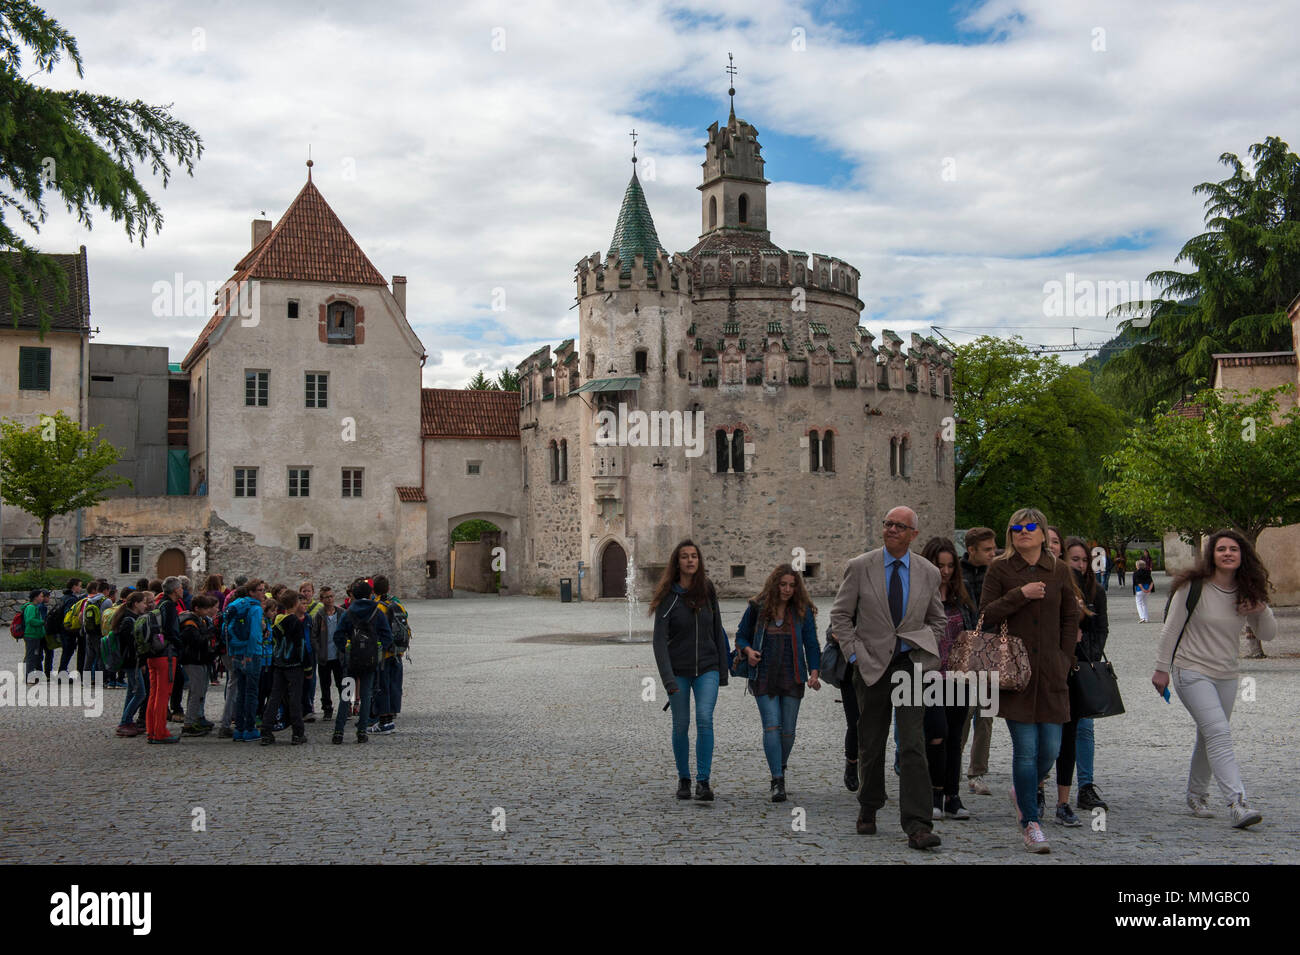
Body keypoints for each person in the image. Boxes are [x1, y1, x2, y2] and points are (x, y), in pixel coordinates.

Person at [831, 506, 946, 851]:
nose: (891, 529)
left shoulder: (928, 572)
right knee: (871, 741)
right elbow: (840, 616)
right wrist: (854, 654)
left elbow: (937, 619)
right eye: (887, 524)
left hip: (910, 665)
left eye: (900, 526)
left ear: (913, 534)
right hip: (871, 666)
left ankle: (918, 825)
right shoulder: (860, 566)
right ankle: (869, 805)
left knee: (912, 743)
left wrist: (925, 648)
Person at [1152, 530, 1275, 828]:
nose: (1228, 553)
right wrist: (1161, 669)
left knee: (1209, 735)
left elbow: (1269, 635)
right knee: (1219, 732)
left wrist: (1261, 609)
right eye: (1221, 549)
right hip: (1190, 670)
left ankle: (1196, 795)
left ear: (1242, 555)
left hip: (1226, 675)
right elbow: (1170, 630)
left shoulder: (1247, 592)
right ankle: (1237, 802)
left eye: (1234, 549)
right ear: (1212, 555)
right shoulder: (1193, 587)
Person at [978, 507, 1080, 853]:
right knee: (1026, 751)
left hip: (1051, 673)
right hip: (1014, 674)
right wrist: (1020, 594)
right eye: (1016, 527)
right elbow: (985, 614)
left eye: (1030, 527)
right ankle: (1031, 823)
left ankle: (1022, 791)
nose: (1023, 532)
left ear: (1042, 533)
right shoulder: (1000, 569)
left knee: (1049, 749)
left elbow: (1070, 617)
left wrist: (1065, 658)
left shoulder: (1060, 570)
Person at [650, 540, 730, 802]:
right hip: (679, 671)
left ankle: (703, 781)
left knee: (705, 719)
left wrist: (722, 669)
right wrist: (667, 679)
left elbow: (717, 628)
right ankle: (684, 778)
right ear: (677, 562)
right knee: (681, 725)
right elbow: (659, 641)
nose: (690, 560)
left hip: (707, 667)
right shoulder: (668, 596)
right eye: (684, 557)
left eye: (694, 556)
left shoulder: (707, 590)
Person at [735, 564, 820, 802]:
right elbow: (741, 635)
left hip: (793, 674)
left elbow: (811, 644)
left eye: (792, 585)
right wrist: (749, 650)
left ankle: (780, 765)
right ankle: (777, 779)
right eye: (783, 584)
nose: (787, 589)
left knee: (789, 731)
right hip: (764, 675)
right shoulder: (757, 608)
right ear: (775, 584)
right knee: (772, 726)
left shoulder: (802, 611)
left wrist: (814, 672)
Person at [920, 537, 978, 822]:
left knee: (955, 737)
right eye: (939, 565)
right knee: (937, 733)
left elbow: (973, 634)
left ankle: (952, 796)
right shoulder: (918, 598)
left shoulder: (962, 600)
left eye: (949, 566)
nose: (944, 571)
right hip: (929, 676)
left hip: (958, 679)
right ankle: (933, 793)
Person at [1056, 537, 1110, 825]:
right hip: (1057, 665)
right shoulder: (1057, 587)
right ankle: (1043, 788)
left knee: (1084, 728)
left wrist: (1088, 653)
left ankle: (1085, 786)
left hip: (1083, 666)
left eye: (1083, 560)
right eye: (1074, 559)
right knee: (1056, 731)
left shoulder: (1095, 591)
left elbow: (1101, 629)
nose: (1079, 565)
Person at [959, 527, 997, 796]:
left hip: (991, 649)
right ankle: (951, 767)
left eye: (993, 548)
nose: (992, 553)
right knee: (962, 714)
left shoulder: (997, 574)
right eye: (987, 549)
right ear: (971, 549)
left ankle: (977, 772)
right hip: (962, 652)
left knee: (986, 715)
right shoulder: (955, 574)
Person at [332, 579, 393, 744]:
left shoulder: (348, 612)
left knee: (346, 695)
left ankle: (338, 732)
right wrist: (377, 649)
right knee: (366, 695)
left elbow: (337, 635)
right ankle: (361, 732)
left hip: (351, 661)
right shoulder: (377, 612)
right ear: (370, 594)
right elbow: (387, 636)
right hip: (370, 660)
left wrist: (346, 650)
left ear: (354, 596)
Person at [262, 591, 309, 746]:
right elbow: (301, 646)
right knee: (295, 698)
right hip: (294, 664)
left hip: (279, 663)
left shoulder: (277, 620)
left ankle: (266, 731)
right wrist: (307, 667)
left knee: (274, 698)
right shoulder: (295, 622)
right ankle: (297, 733)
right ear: (295, 603)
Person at [224, 579, 266, 742]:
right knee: (251, 692)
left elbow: (227, 629)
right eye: (260, 590)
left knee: (240, 692)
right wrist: (250, 653)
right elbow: (255, 634)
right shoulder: (255, 609)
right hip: (251, 653)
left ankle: (239, 728)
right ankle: (249, 728)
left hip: (236, 652)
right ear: (251, 592)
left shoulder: (237, 605)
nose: (263, 593)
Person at [145, 577, 185, 744]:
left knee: (154, 694)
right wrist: (179, 644)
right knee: (162, 695)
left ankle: (152, 729)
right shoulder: (169, 606)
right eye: (181, 587)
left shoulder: (160, 603)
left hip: (155, 653)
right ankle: (160, 732)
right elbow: (170, 631)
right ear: (175, 590)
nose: (183, 590)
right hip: (166, 655)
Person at [179, 595, 219, 736]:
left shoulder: (198, 620)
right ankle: (189, 724)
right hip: (193, 660)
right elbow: (196, 641)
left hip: (199, 659)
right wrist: (210, 633)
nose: (208, 611)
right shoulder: (190, 623)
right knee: (196, 692)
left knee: (198, 692)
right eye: (205, 608)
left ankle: (194, 719)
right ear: (197, 608)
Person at [371, 575, 405, 735]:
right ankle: (391, 717)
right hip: (397, 652)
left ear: (373, 590)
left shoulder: (377, 607)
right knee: (394, 685)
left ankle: (384, 722)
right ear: (388, 588)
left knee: (381, 686)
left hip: (382, 654)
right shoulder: (397, 604)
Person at [114, 591, 150, 737]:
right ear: (136, 604)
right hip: (131, 661)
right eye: (143, 603)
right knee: (140, 693)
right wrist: (141, 662)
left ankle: (127, 720)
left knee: (132, 692)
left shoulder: (131, 617)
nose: (145, 606)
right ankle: (124, 722)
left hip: (132, 660)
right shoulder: (129, 620)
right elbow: (132, 644)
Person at [311, 586, 345, 720]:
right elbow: (314, 635)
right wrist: (318, 651)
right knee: (325, 685)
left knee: (342, 682)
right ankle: (327, 708)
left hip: (339, 655)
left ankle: (345, 707)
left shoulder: (342, 613)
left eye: (331, 596)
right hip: (325, 656)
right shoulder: (319, 615)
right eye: (327, 597)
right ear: (322, 599)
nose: (330, 599)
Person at [51, 578, 84, 674]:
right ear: (74, 586)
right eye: (79, 586)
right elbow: (69, 614)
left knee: (66, 651)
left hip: (61, 628)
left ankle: (62, 671)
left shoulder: (64, 597)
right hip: (68, 629)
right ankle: (62, 672)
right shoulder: (72, 599)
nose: (80, 588)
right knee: (68, 651)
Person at [21, 589, 48, 685]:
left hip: (35, 635)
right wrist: (42, 622)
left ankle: (29, 676)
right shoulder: (31, 608)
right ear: (36, 597)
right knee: (31, 657)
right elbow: (31, 620)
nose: (42, 598)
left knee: (31, 656)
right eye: (41, 596)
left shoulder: (33, 607)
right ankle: (29, 678)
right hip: (32, 635)